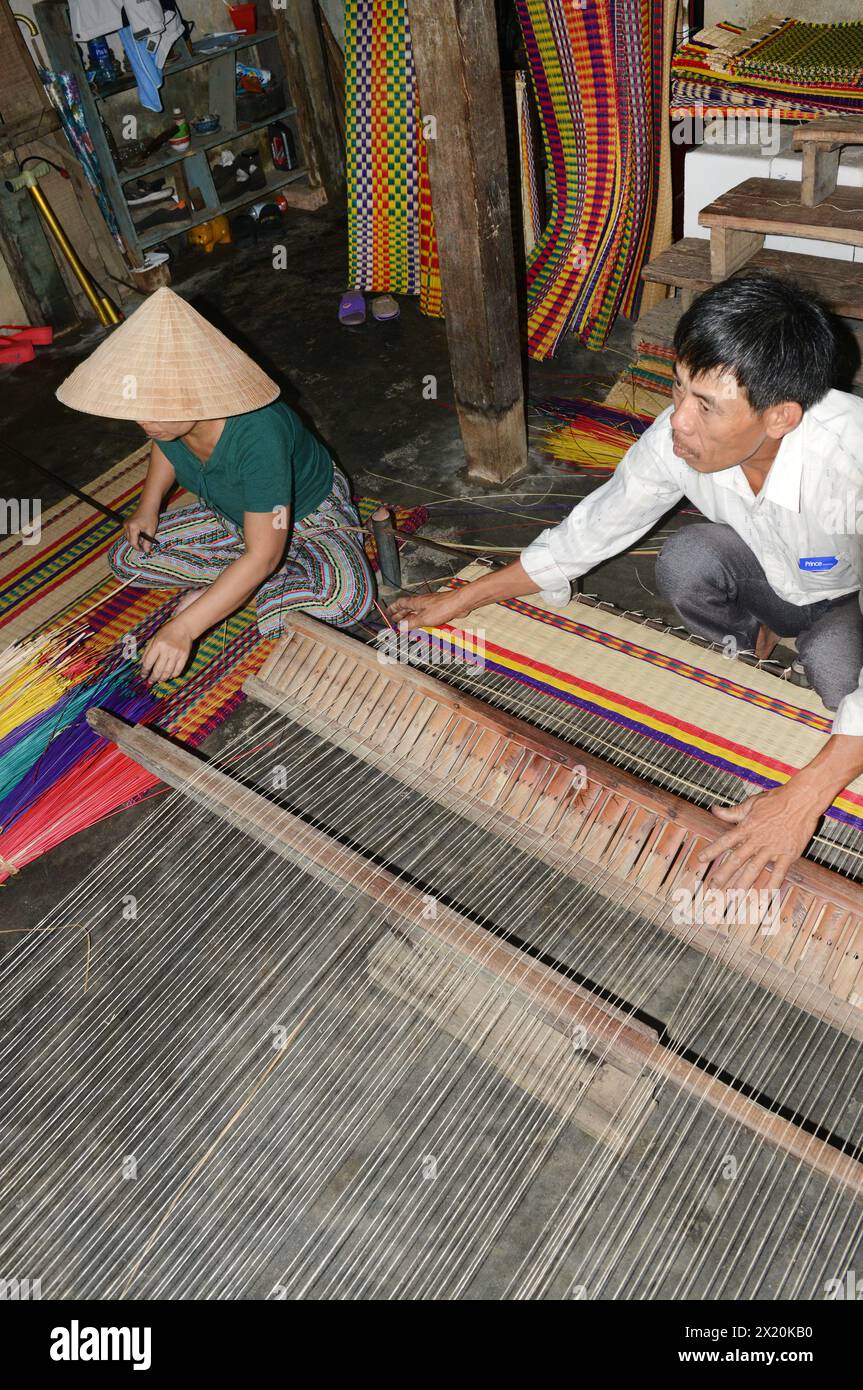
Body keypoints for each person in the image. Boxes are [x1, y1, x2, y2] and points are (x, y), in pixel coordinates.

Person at [392, 273, 863, 893]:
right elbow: (597, 525)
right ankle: (758, 641)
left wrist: (803, 799)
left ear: (780, 416)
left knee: (838, 679)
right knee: (687, 561)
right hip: (777, 574)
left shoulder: (850, 462)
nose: (678, 423)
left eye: (706, 406)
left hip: (844, 597)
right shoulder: (680, 437)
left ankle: (816, 650)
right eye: (677, 387)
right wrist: (462, 598)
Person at [56, 287, 375, 684]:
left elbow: (262, 555)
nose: (143, 421)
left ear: (200, 393)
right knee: (128, 557)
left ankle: (240, 586)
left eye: (154, 409)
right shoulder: (169, 423)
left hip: (308, 517)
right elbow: (165, 445)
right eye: (138, 406)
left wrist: (186, 626)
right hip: (234, 518)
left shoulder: (259, 433)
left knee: (346, 602)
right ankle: (244, 583)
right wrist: (148, 507)